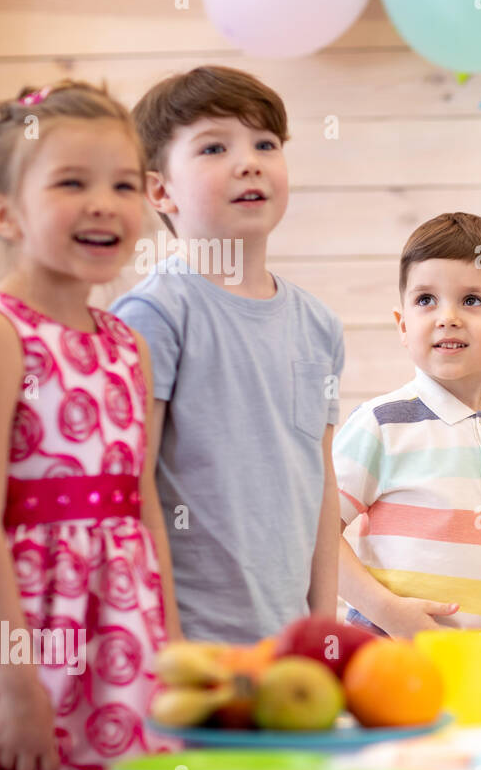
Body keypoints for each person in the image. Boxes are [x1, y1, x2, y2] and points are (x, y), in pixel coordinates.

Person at [0, 82, 179, 770]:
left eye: (124, 185)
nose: (105, 203)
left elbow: (144, 507)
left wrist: (174, 645)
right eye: (72, 182)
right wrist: (15, 685)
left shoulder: (129, 345)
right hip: (28, 641)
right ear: (5, 211)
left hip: (125, 637)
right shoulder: (0, 335)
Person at [111, 66, 345, 643]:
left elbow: (322, 483)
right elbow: (132, 487)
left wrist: (321, 627)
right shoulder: (155, 314)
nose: (250, 161)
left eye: (266, 143)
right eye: (214, 147)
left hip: (289, 646)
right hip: (189, 643)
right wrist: (164, 637)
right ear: (159, 190)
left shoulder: (319, 325)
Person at [334, 212, 481, 638]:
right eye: (426, 300)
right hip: (387, 648)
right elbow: (315, 533)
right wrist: (387, 610)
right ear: (403, 324)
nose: (446, 317)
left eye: (471, 300)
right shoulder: (382, 424)